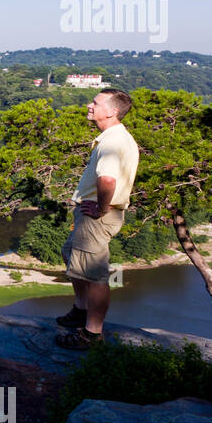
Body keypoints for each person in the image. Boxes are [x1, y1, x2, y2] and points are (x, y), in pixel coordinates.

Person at [54, 88, 140, 349]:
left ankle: (92, 334)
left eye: (96, 102)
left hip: (97, 216)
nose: (89, 105)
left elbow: (108, 179)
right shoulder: (112, 138)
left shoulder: (112, 143)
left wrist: (102, 208)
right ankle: (81, 310)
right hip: (91, 214)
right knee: (70, 254)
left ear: (112, 111)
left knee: (94, 275)